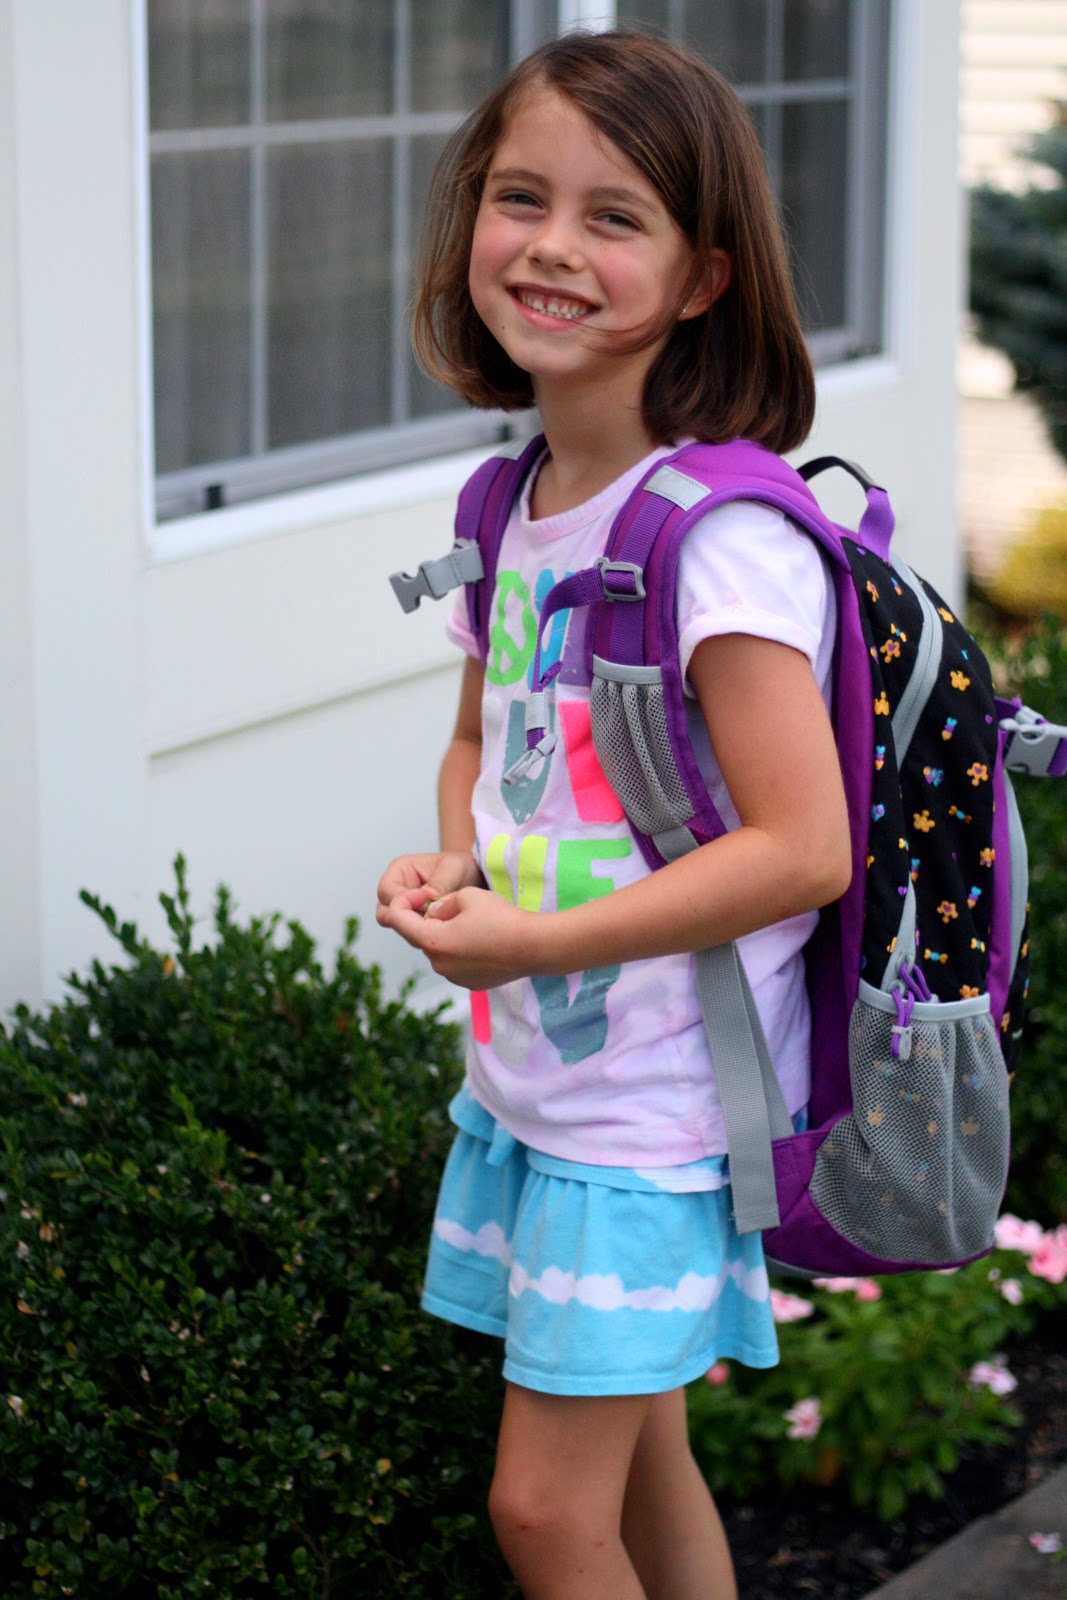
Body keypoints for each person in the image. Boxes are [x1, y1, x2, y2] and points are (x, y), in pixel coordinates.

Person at [376, 29, 851, 1600]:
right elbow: (477, 739)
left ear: (707, 276)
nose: (554, 246)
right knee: (644, 1471)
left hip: (648, 1118)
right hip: (538, 1088)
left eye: (616, 215)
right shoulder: (504, 505)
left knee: (541, 1513)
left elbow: (803, 847)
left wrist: (540, 939)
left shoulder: (721, 542)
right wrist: (457, 865)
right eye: (523, 197)